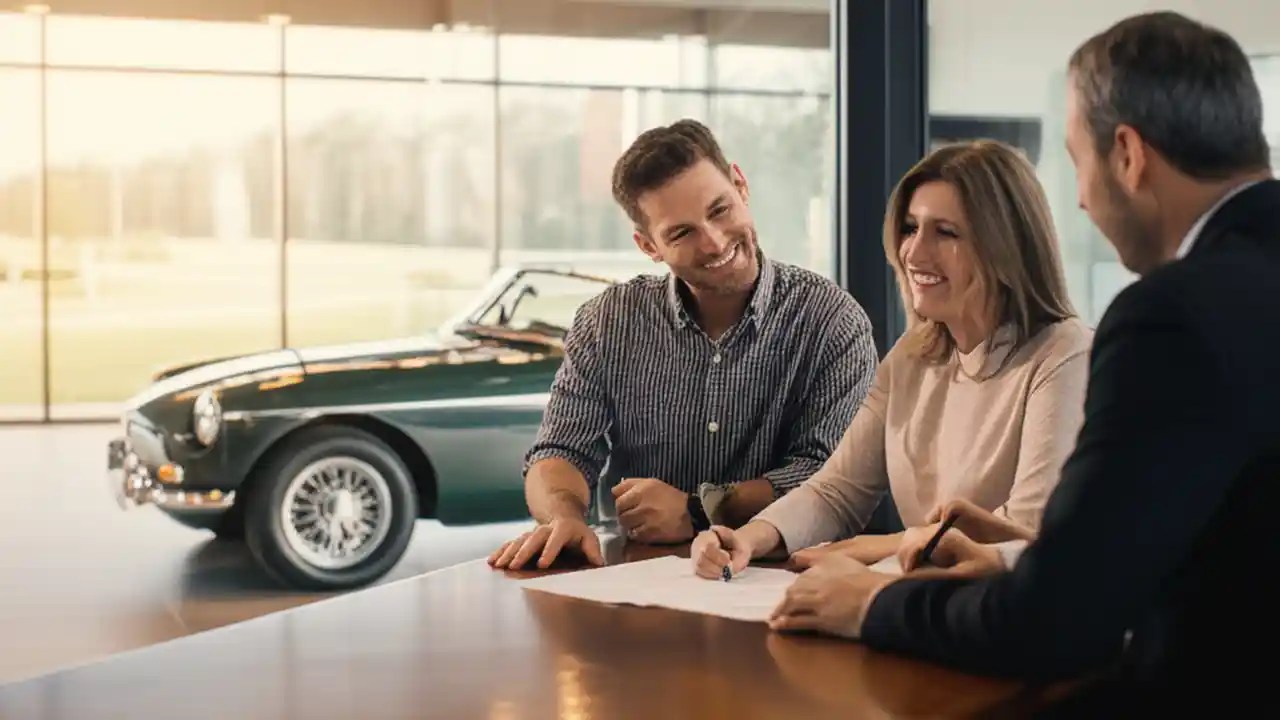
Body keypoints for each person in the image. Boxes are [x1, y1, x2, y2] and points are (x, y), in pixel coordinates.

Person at [768, 11, 1280, 713]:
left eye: (1077, 161)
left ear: (1128, 155)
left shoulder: (1171, 317)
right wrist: (1014, 555)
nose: (1081, 199)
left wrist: (872, 602)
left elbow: (1056, 621)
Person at [690, 139, 1092, 577]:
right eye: (910, 228)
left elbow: (1025, 533)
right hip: (924, 599)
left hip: (1006, 612)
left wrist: (872, 546)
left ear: (1006, 248)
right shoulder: (913, 355)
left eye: (946, 232)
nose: (914, 253)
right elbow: (836, 491)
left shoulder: (1064, 355)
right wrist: (748, 537)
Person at [488, 119, 878, 571]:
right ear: (648, 246)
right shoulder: (607, 322)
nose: (713, 242)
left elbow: (829, 478)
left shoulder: (832, 320)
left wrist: (698, 508)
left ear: (741, 185)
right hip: (637, 580)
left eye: (720, 210)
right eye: (681, 233)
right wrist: (565, 517)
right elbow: (561, 450)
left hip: (782, 576)